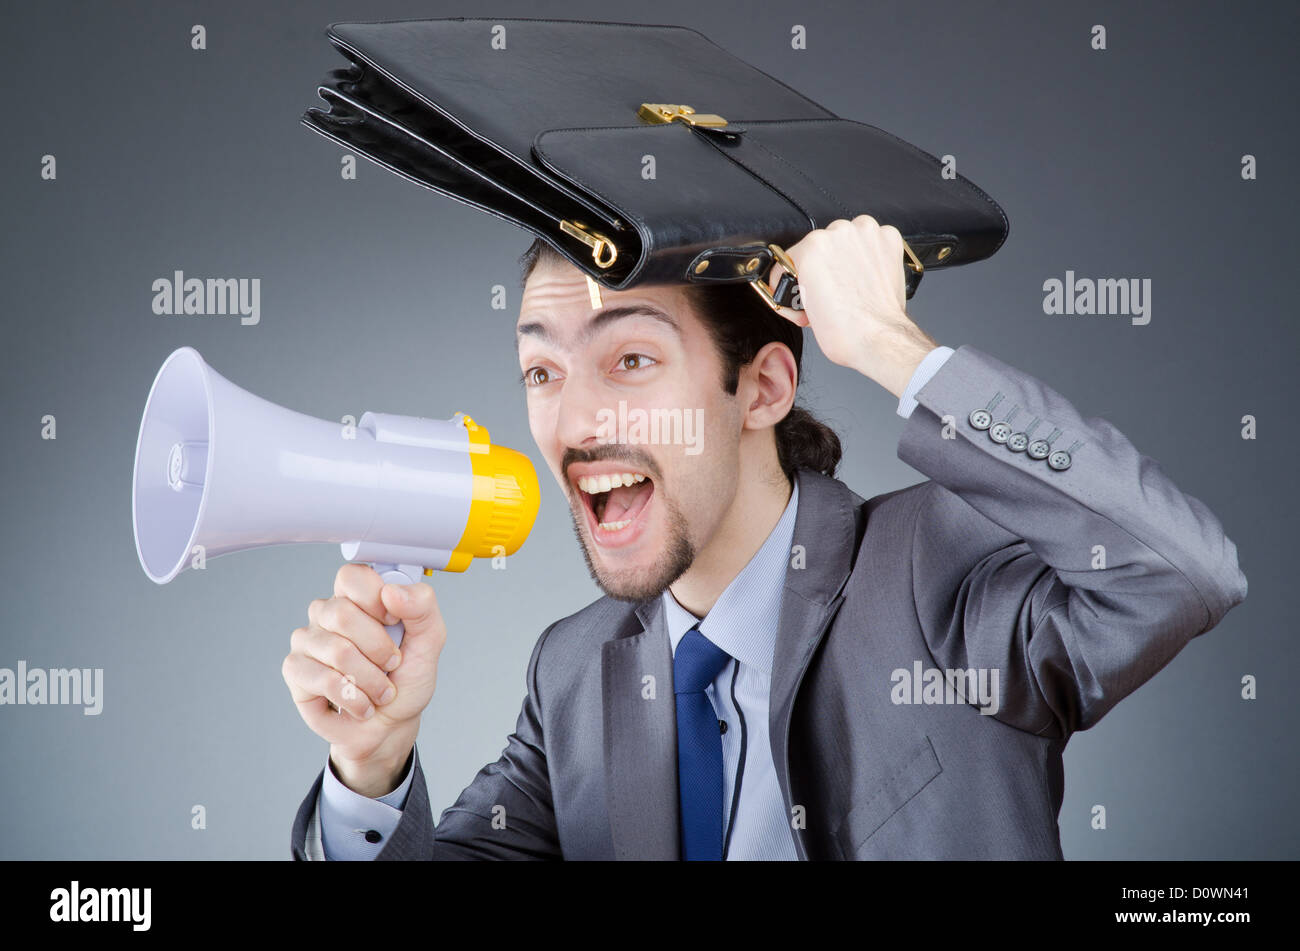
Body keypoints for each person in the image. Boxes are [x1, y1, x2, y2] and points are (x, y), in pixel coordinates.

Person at [283, 216, 1246, 860]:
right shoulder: (573, 672)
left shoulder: (931, 564)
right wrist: (369, 769)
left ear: (766, 388)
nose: (573, 422)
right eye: (541, 372)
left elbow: (1179, 572)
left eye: (630, 357)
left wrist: (892, 348)